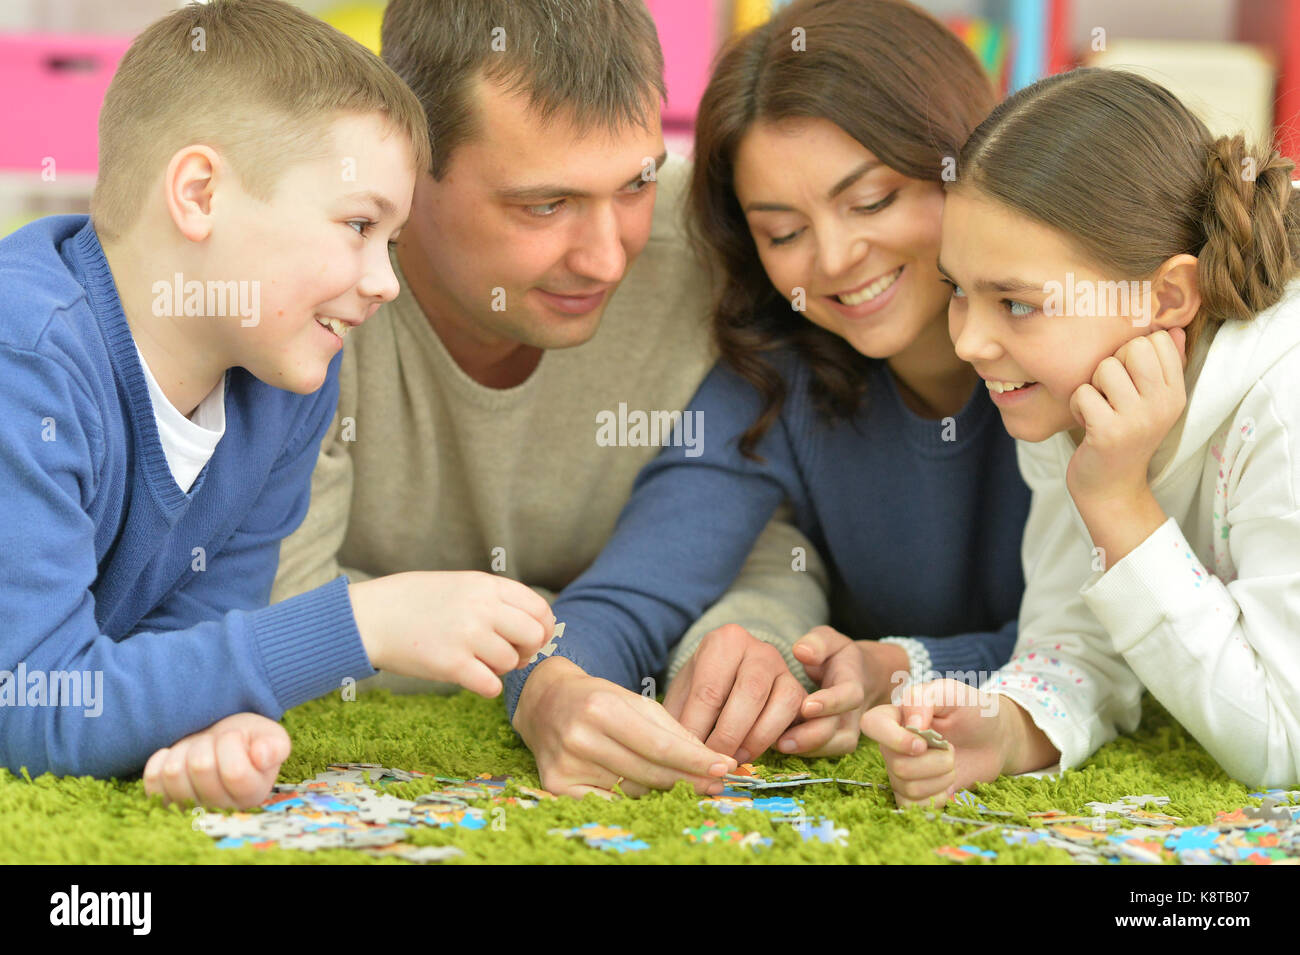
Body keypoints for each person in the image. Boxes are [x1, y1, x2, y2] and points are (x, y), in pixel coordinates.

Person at [0, 0, 553, 811]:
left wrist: (207, 726)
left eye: (390, 242)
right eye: (358, 225)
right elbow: (31, 706)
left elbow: (190, 641)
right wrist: (359, 624)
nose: (385, 282)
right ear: (199, 193)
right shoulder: (25, 357)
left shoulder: (285, 380)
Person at [271, 0, 832, 798]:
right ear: (407, 166)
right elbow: (287, 608)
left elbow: (766, 522)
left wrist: (744, 635)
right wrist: (564, 650)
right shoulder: (309, 286)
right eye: (544, 204)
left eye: (637, 182)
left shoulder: (724, 244)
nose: (607, 257)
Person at [517, 0, 1032, 796]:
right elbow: (628, 596)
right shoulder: (772, 378)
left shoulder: (1078, 338)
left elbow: (1115, 640)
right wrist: (553, 692)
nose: (834, 258)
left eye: (871, 201)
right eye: (783, 232)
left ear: (966, 161)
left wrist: (893, 668)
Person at [865, 67, 1300, 801]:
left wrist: (1121, 501)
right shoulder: (1068, 387)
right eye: (959, 291)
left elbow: (1280, 744)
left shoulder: (1281, 406)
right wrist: (1005, 725)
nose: (970, 342)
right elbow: (1081, 639)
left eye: (1016, 303)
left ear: (1166, 297)